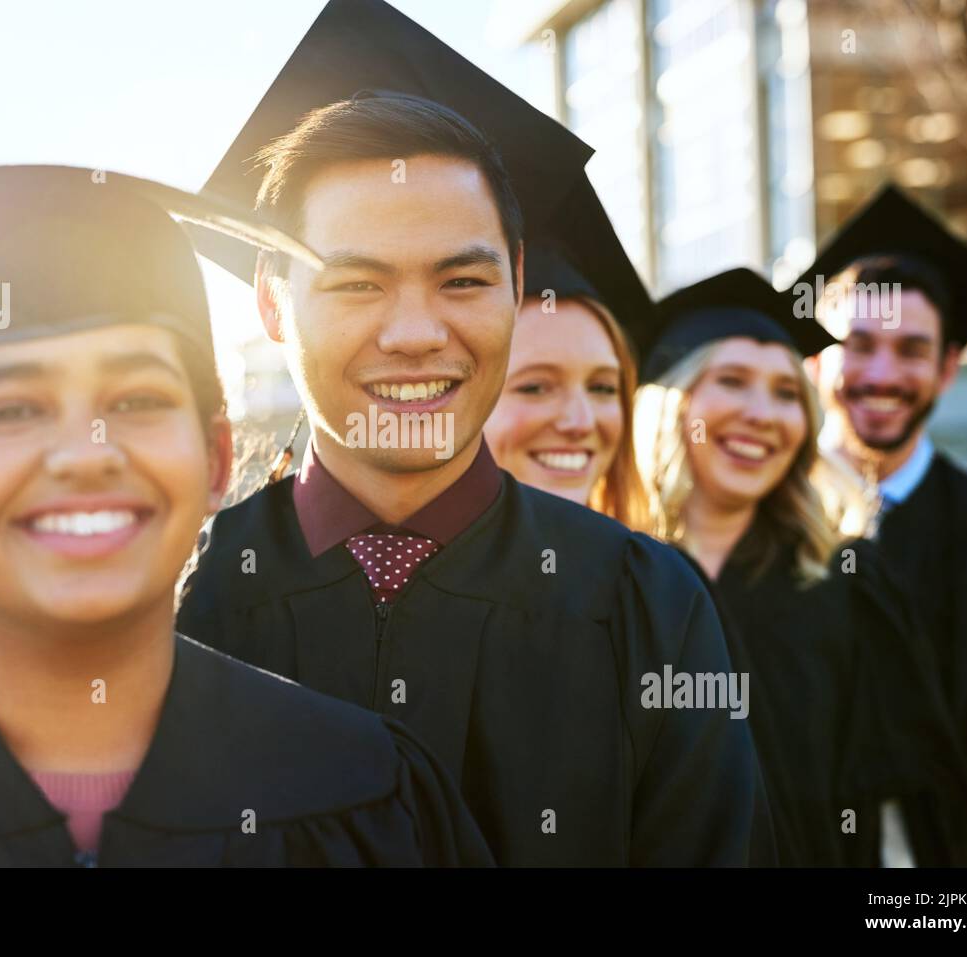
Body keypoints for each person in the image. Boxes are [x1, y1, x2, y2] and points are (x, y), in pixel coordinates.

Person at [0, 165, 492, 867]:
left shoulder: (365, 793)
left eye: (136, 400)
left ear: (215, 458)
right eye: (10, 408)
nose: (86, 453)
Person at [177, 0, 772, 865]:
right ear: (271, 299)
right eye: (355, 285)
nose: (416, 332)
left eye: (461, 279)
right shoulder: (183, 601)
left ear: (516, 282)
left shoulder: (648, 604)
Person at [632, 267, 967, 866]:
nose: (764, 413)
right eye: (732, 381)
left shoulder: (844, 586)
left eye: (787, 393)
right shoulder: (614, 586)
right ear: (669, 401)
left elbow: (898, 819)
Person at [796, 182, 967, 866]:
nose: (882, 373)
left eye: (911, 349)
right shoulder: (764, 525)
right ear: (817, 358)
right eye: (859, 344)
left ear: (946, 369)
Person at [484, 175, 651, 527]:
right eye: (535, 387)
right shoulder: (383, 576)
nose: (581, 422)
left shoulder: (657, 579)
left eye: (603, 388)